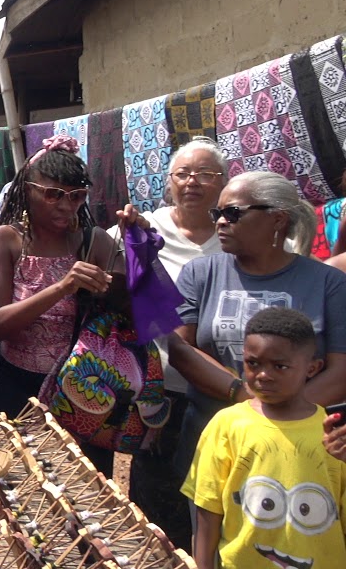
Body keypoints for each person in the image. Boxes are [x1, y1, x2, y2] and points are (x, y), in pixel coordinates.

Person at [169, 171, 346, 491]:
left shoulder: (329, 283)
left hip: (298, 448)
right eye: (217, 213)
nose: (221, 222)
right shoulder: (199, 273)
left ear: (277, 220)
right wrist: (243, 396)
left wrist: (281, 413)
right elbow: (181, 348)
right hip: (213, 441)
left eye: (233, 213)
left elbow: (341, 369)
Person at [113, 137, 227, 550]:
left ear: (224, 183)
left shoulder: (235, 233)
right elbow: (105, 270)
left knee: (218, 495)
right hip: (158, 394)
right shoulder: (150, 227)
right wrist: (130, 240)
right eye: (183, 173)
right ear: (169, 182)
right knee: (158, 496)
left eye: (205, 174)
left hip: (223, 393)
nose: (193, 181)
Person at [0, 135, 121, 472]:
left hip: (85, 392)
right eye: (53, 194)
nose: (66, 206)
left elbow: (130, 311)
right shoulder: (7, 240)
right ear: (26, 189)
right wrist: (62, 287)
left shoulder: (94, 241)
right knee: (20, 488)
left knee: (86, 493)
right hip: (19, 389)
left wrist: (137, 248)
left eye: (77, 196)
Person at [182, 307, 346, 569]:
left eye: (280, 366)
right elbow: (207, 510)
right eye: (253, 363)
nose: (263, 375)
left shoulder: (332, 435)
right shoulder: (227, 425)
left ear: (312, 368)